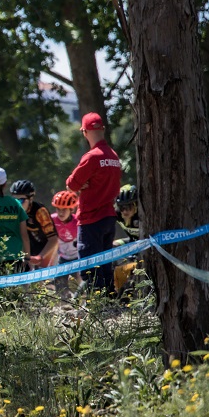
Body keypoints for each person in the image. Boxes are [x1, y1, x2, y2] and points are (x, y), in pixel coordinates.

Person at [65, 112, 123, 291]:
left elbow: (71, 184)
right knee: (105, 265)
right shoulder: (114, 156)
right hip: (108, 218)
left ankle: (97, 308)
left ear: (84, 132)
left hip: (91, 220)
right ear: (103, 130)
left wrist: (82, 185)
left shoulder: (92, 157)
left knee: (90, 269)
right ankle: (109, 302)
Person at [11, 179, 59, 267]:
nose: (17, 204)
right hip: (31, 247)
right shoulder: (13, 211)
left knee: (45, 279)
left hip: (46, 247)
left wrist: (40, 256)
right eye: (14, 200)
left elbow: (53, 239)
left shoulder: (40, 212)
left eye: (21, 200)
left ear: (31, 198)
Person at [51, 190, 80, 265]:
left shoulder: (78, 222)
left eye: (64, 209)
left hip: (78, 257)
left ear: (72, 209)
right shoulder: (52, 220)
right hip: (62, 257)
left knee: (79, 276)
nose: (60, 213)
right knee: (59, 277)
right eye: (58, 209)